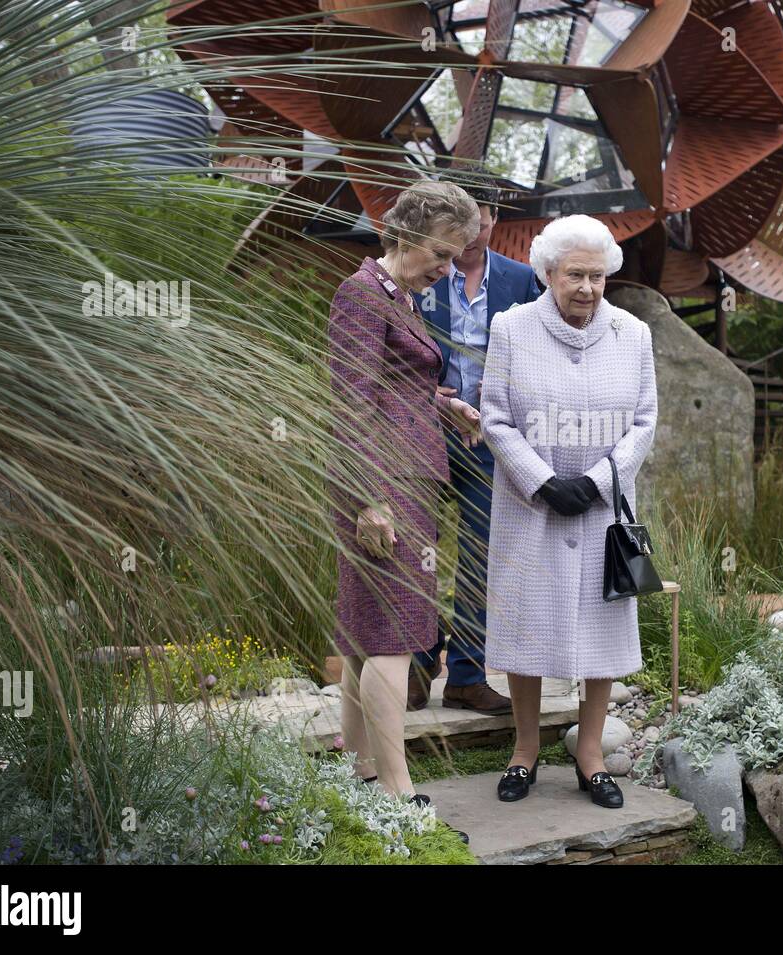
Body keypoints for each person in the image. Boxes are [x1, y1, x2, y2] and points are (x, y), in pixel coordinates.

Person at [478, 214, 658, 809]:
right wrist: (543, 481)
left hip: (603, 511)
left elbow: (644, 421)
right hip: (532, 508)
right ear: (547, 273)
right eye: (574, 274)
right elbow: (495, 416)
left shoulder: (632, 334)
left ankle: (591, 754)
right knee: (527, 625)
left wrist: (600, 481)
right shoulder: (511, 329)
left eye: (597, 275)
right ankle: (524, 751)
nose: (587, 286)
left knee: (603, 627)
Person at [327, 180, 482, 820]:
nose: (448, 269)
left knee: (369, 636)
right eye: (443, 255)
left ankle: (360, 771)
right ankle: (397, 792)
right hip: (383, 489)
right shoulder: (361, 296)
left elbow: (398, 387)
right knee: (391, 638)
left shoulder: (400, 299)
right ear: (409, 236)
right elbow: (351, 401)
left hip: (407, 485)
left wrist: (448, 406)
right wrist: (370, 500)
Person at [412, 182, 541, 714]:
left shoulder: (522, 279)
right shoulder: (417, 274)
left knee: (483, 556)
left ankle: (466, 674)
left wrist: (513, 391)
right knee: (412, 551)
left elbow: (542, 352)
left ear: (492, 220)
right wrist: (430, 394)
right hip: (421, 432)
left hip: (491, 440)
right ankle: (416, 668)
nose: (470, 231)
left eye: (481, 217)